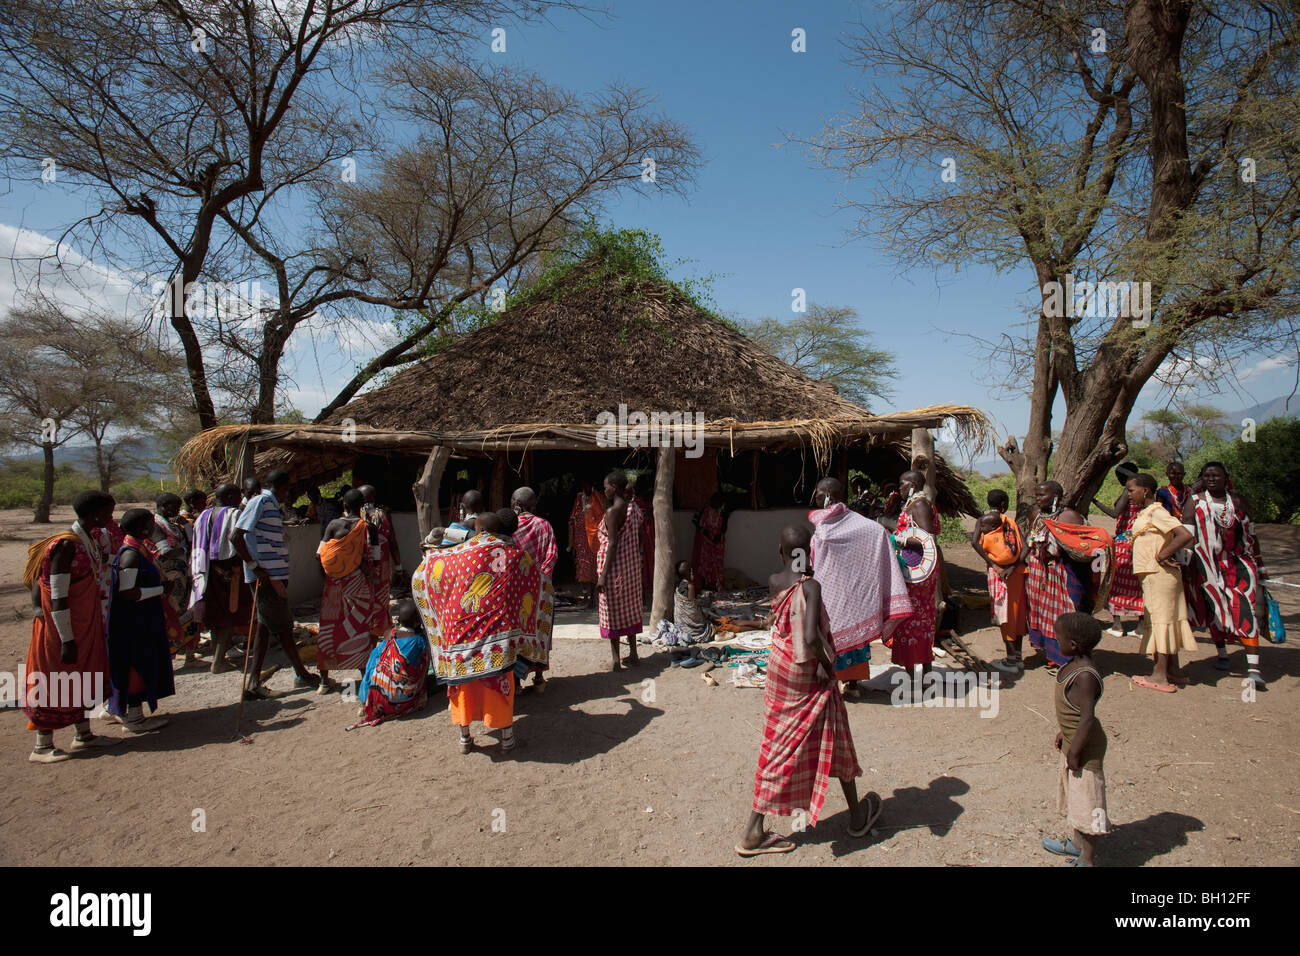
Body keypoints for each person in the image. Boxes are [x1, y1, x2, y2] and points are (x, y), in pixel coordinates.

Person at [736, 525, 881, 856]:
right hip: (807, 673)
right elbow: (813, 638)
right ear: (809, 553)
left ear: (780, 552)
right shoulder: (811, 586)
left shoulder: (775, 580)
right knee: (832, 737)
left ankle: (758, 828)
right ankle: (855, 819)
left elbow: (789, 625)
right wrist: (829, 666)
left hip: (780, 669)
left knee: (779, 743)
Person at [412, 510, 552, 754]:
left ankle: (465, 738)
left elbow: (427, 567)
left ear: (477, 530)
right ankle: (507, 737)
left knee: (461, 686)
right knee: (500, 681)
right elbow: (540, 582)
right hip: (497, 637)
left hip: (459, 634)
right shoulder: (514, 554)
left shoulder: (457, 554)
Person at [21, 490, 119, 762]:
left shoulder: (90, 539)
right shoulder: (66, 546)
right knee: (54, 678)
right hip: (61, 628)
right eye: (108, 512)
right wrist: (66, 638)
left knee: (83, 675)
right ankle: (42, 746)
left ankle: (83, 735)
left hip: (85, 623)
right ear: (94, 514)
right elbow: (58, 595)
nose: (111, 517)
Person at [808, 477, 912, 694]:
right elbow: (874, 531)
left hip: (842, 590)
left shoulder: (830, 527)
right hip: (845, 588)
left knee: (834, 632)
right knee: (848, 630)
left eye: (818, 493)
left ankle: (845, 682)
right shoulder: (839, 523)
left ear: (828, 495)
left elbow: (874, 533)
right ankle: (850, 683)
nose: (814, 497)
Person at [232, 469, 320, 699]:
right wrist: (254, 567)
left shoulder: (270, 504)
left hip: (273, 576)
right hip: (267, 578)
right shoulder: (260, 501)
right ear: (283, 487)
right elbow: (236, 536)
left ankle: (254, 683)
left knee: (266, 627)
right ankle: (301, 674)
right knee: (283, 627)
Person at [1182, 462, 1268, 687]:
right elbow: (1187, 536)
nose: (1212, 479)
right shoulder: (1195, 502)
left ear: (1225, 477)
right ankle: (1222, 654)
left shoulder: (1238, 501)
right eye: (1207, 475)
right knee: (1214, 609)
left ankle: (1254, 669)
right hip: (1206, 566)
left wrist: (1261, 566)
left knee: (1244, 608)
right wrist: (1183, 561)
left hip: (1239, 564)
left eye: (1216, 475)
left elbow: (1252, 535)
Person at [1042, 612, 1108, 867]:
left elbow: (1087, 718)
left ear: (1074, 645)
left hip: (1085, 747)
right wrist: (1064, 732)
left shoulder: (1084, 676)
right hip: (1074, 740)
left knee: (1090, 802)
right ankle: (1077, 844)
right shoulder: (1073, 665)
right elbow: (1075, 711)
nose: (1056, 641)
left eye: (1059, 638)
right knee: (1077, 799)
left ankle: (1087, 859)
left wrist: (1075, 751)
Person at [106, 509, 176, 733]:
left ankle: (127, 712)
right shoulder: (130, 555)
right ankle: (134, 717)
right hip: (134, 621)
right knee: (137, 664)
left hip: (143, 616)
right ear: (143, 529)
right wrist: (160, 590)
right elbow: (128, 593)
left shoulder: (139, 550)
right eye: (150, 524)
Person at [1126, 473, 1197, 692]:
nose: (1129, 495)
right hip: (1155, 575)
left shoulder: (1156, 511)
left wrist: (1161, 555)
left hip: (1158, 574)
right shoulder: (1148, 512)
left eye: (1131, 490)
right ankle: (1172, 670)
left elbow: (1184, 535)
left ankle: (1159, 676)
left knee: (1160, 621)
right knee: (1167, 620)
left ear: (1145, 490)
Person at [316, 489, 383, 694]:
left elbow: (319, 554)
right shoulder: (368, 528)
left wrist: (330, 579)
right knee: (357, 627)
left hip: (334, 584)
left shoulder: (333, 525)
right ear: (361, 506)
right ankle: (364, 679)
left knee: (329, 628)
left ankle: (324, 682)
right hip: (358, 584)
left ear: (344, 505)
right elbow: (376, 558)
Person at [1025, 481, 1091, 672]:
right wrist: (1016, 565)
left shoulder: (1069, 517)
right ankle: (1053, 656)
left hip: (1062, 574)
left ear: (1057, 496)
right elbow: (1029, 541)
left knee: (1065, 615)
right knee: (1044, 615)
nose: (1038, 499)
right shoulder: (1036, 516)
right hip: (1039, 574)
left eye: (1042, 495)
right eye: (1036, 495)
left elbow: (1080, 549)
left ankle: (1070, 660)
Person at [188, 483, 251, 674]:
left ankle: (218, 655)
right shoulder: (234, 515)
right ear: (231, 496)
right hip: (228, 570)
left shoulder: (202, 516)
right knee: (229, 615)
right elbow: (238, 541)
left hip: (204, 571)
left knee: (215, 617)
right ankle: (218, 660)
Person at [349, 599, 431, 729]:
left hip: (373, 696)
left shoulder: (388, 634)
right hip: (400, 698)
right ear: (417, 622)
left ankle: (364, 704)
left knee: (376, 659)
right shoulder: (418, 641)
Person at [891, 470, 942, 676]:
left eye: (902, 485)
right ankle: (916, 671)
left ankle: (919, 672)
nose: (900, 489)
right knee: (913, 619)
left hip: (918, 572)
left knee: (914, 619)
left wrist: (898, 539)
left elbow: (927, 538)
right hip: (911, 566)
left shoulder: (919, 505)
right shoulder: (913, 504)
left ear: (912, 484)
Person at [973, 491, 1028, 674]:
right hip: (1017, 573)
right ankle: (1017, 657)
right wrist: (1012, 567)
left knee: (1005, 616)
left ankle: (1011, 660)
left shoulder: (984, 521)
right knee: (1017, 613)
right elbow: (1026, 547)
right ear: (1004, 504)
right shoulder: (1010, 522)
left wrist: (994, 565)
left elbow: (974, 542)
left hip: (1000, 576)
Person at [597, 471, 644, 671]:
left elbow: (613, 544)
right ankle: (633, 654)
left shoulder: (612, 512)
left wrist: (603, 576)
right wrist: (634, 555)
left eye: (606, 486)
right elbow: (640, 536)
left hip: (614, 569)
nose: (604, 489)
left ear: (614, 488)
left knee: (612, 611)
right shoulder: (634, 508)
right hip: (631, 567)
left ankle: (616, 660)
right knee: (631, 608)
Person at [512, 486, 557, 691]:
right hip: (541, 590)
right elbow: (552, 556)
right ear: (533, 504)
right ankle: (538, 678)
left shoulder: (509, 526)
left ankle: (516, 681)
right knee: (541, 632)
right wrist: (541, 580)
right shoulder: (544, 526)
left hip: (516, 590)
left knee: (517, 634)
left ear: (515, 503)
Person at [1092, 462, 1143, 637]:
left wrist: (1095, 501)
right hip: (1140, 540)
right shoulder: (1145, 490)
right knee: (1138, 584)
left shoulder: (1127, 492)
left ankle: (1117, 625)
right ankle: (1141, 627)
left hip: (1124, 542)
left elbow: (1115, 513)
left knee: (1115, 582)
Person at [152, 491, 201, 662]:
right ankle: (172, 652)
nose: (177, 510)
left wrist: (186, 527)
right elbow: (166, 551)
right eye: (174, 507)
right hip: (169, 577)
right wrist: (185, 550)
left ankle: (188, 652)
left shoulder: (172, 524)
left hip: (180, 575)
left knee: (184, 611)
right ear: (163, 507)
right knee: (172, 612)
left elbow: (189, 541)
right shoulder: (156, 524)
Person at [358, 485, 402, 640]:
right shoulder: (382, 515)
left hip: (360, 565)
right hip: (382, 566)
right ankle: (378, 631)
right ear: (374, 497)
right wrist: (398, 567)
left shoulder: (353, 515)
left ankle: (364, 633)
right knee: (382, 601)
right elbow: (392, 541)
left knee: (362, 600)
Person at [568, 480, 604, 607]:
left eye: (586, 485)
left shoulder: (597, 497)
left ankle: (593, 598)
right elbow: (575, 512)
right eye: (583, 486)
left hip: (593, 538)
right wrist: (574, 519)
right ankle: (585, 596)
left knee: (593, 568)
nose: (585, 488)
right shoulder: (580, 496)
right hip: (581, 537)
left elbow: (601, 515)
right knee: (582, 567)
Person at [691, 492, 728, 592]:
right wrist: (707, 535)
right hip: (706, 543)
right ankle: (705, 587)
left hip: (718, 543)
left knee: (717, 565)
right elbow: (699, 525)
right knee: (705, 564)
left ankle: (717, 587)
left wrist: (716, 538)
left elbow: (723, 529)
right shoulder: (705, 510)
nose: (715, 511)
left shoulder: (724, 512)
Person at [673, 561, 716, 644]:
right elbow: (692, 609)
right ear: (686, 572)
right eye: (690, 569)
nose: (692, 571)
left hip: (680, 627)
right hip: (692, 628)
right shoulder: (690, 586)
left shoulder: (678, 585)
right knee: (722, 624)